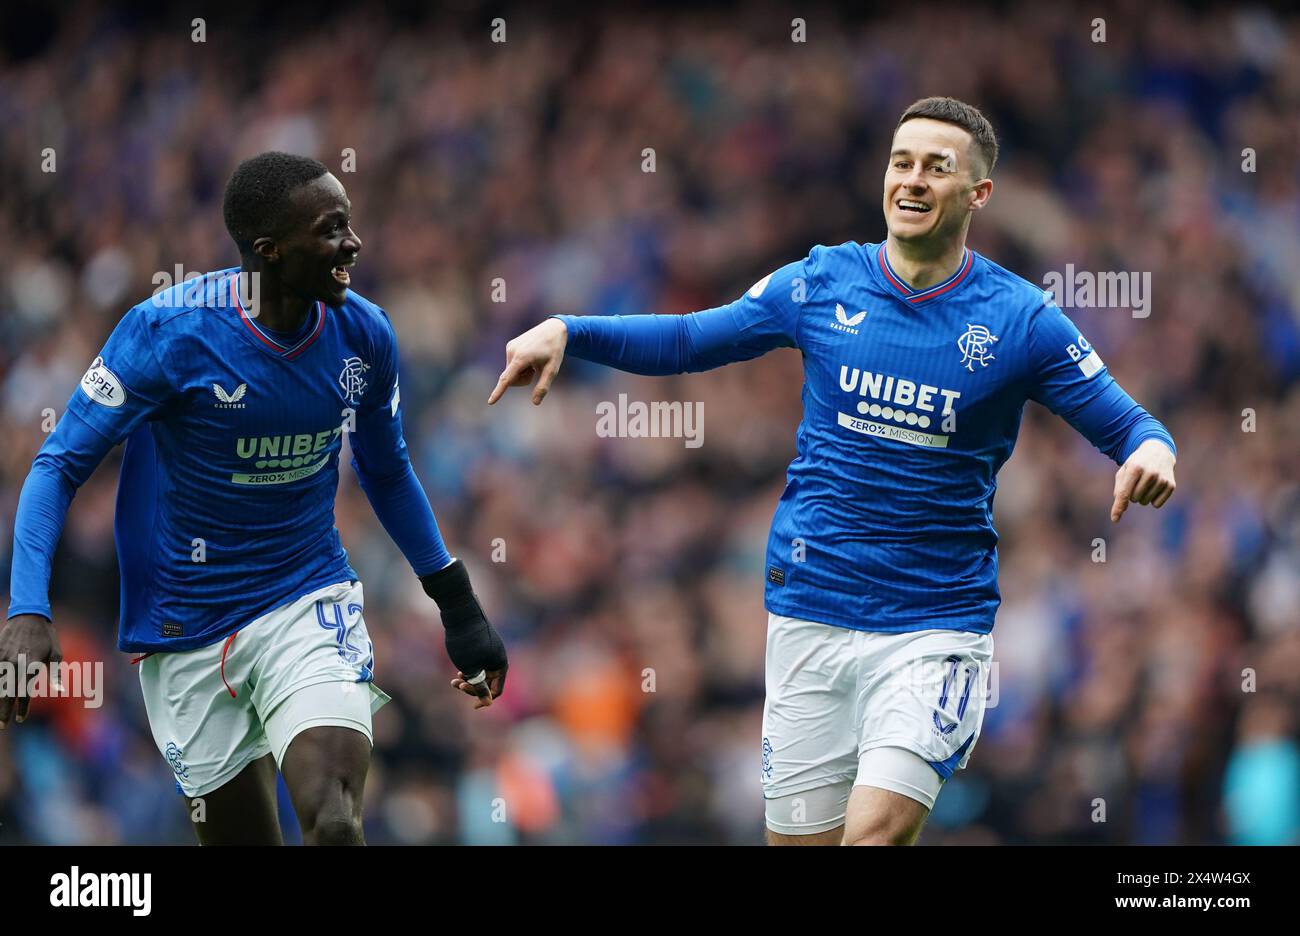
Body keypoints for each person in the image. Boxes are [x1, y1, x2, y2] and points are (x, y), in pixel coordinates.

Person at [488, 97, 1176, 845]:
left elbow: (1130, 424)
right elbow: (691, 337)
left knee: (873, 837)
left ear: (978, 193)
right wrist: (570, 329)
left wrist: (1151, 453)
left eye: (937, 168)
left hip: (931, 626)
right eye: (901, 162)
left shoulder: (1021, 319)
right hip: (810, 612)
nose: (912, 180)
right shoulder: (821, 283)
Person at [1, 152, 507, 845]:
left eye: (350, 225)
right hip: (184, 626)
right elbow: (58, 464)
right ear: (270, 251)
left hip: (306, 597)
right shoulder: (167, 334)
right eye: (331, 231)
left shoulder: (365, 335)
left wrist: (458, 605)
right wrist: (29, 606)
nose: (353, 245)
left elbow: (387, 473)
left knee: (332, 818)